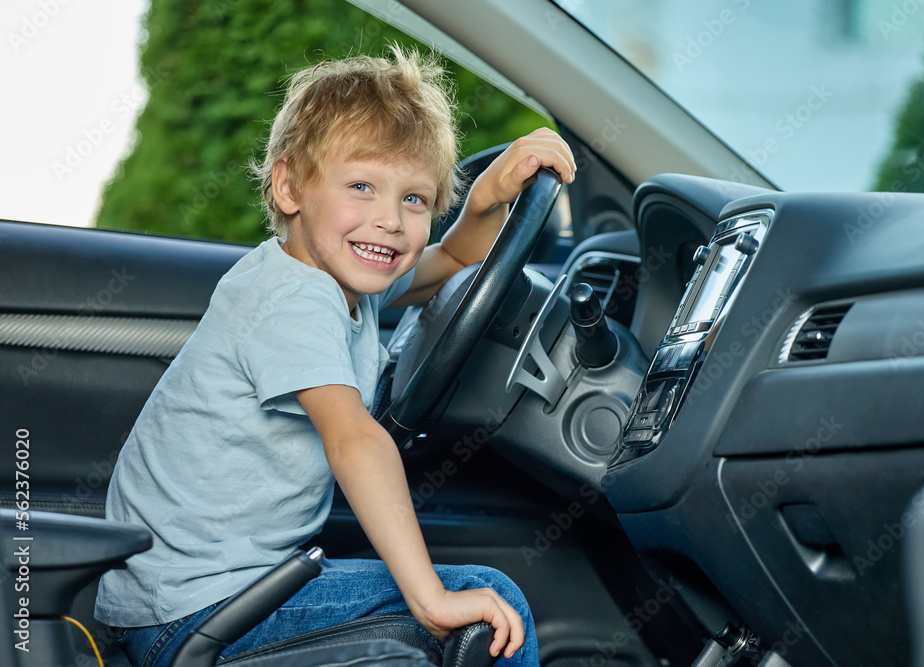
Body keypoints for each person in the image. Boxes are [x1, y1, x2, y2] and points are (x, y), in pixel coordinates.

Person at [94, 45, 576, 667]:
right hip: (195, 612)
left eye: (415, 200)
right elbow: (354, 440)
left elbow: (455, 261)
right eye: (362, 186)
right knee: (485, 599)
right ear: (289, 185)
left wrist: (485, 197)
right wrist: (430, 598)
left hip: (194, 592)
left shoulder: (340, 277)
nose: (390, 221)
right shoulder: (294, 301)